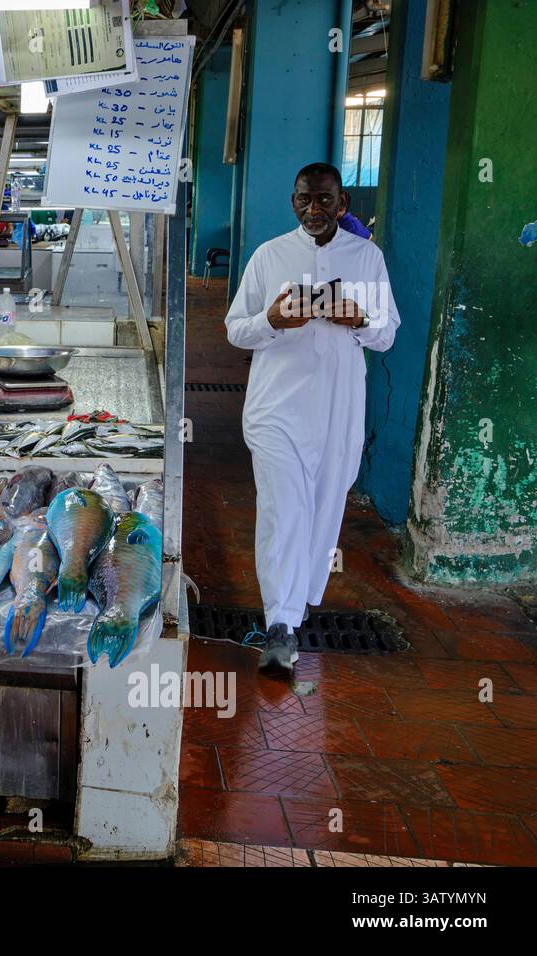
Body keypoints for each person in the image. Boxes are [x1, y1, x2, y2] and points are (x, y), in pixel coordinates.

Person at [224, 162, 400, 675]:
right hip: (275, 407)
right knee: (283, 508)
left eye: (324, 200)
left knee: (324, 507)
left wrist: (360, 319)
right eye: (304, 200)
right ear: (293, 201)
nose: (314, 209)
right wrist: (272, 321)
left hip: (338, 409)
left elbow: (388, 333)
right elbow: (236, 328)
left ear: (342, 205)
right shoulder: (269, 256)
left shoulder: (367, 257)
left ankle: (296, 608)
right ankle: (279, 625)